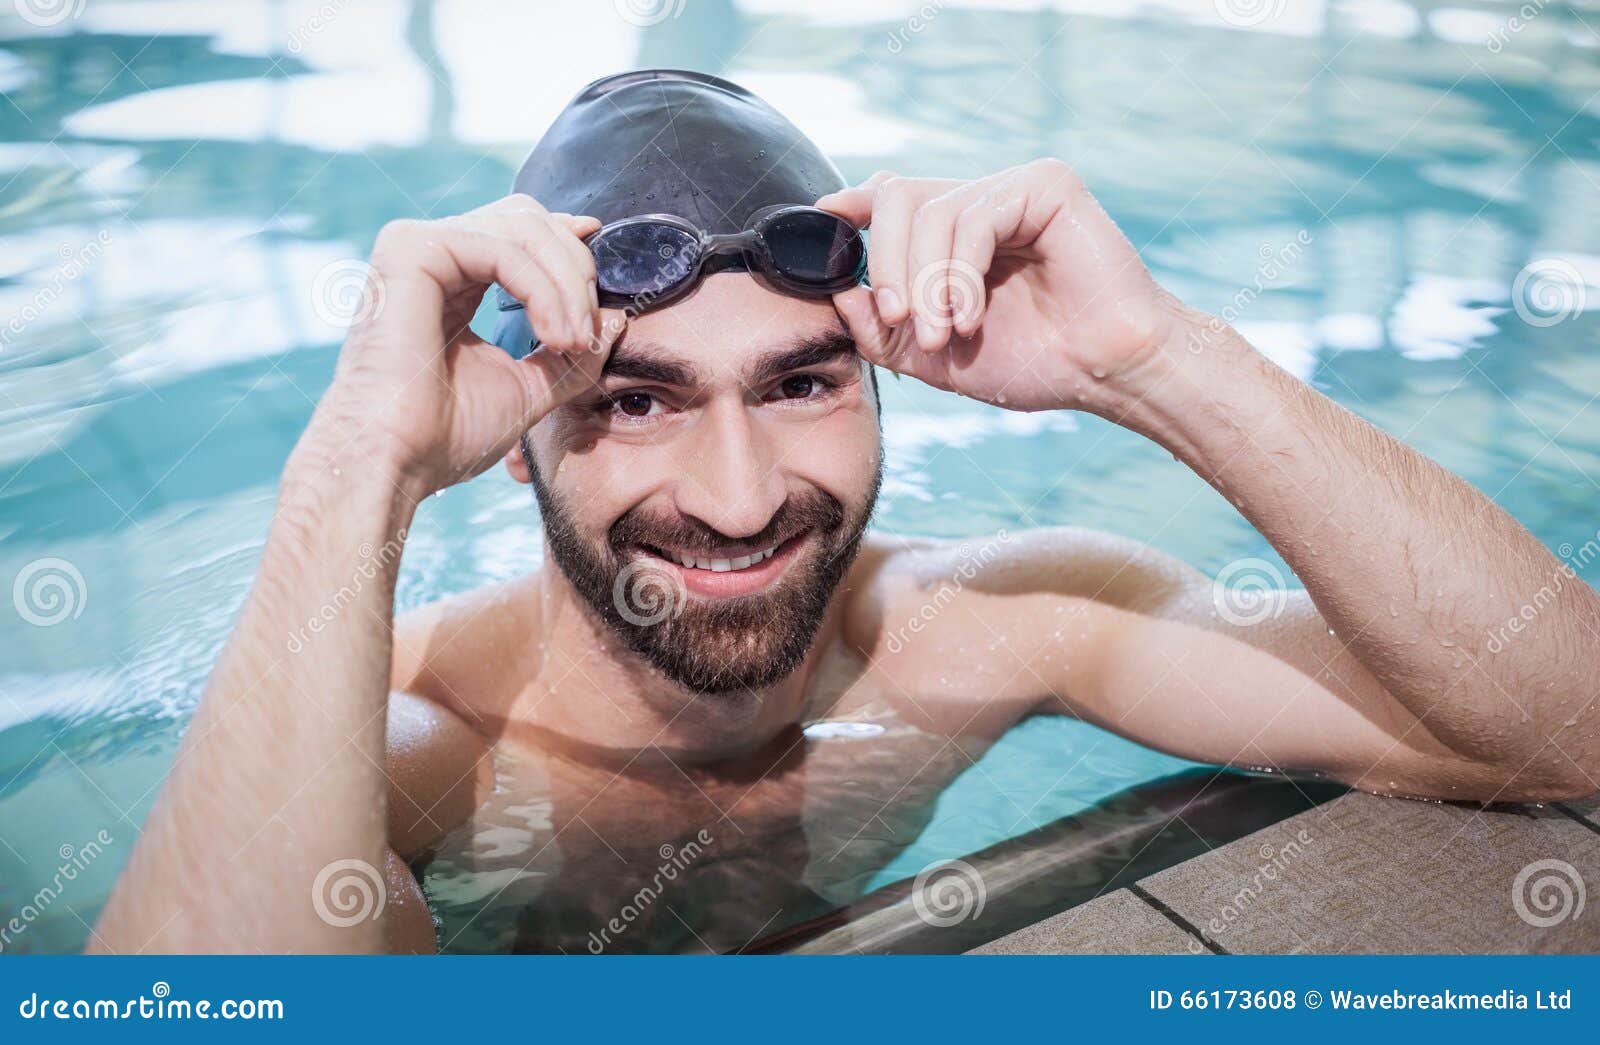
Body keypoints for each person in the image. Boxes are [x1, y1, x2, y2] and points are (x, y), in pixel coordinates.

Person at [94, 70, 1599, 954]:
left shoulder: (995, 627)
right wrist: (354, 463)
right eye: (635, 400)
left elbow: (1565, 728)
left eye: (802, 382)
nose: (742, 498)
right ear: (512, 439)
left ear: (882, 377)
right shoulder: (424, 753)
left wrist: (1154, 364)